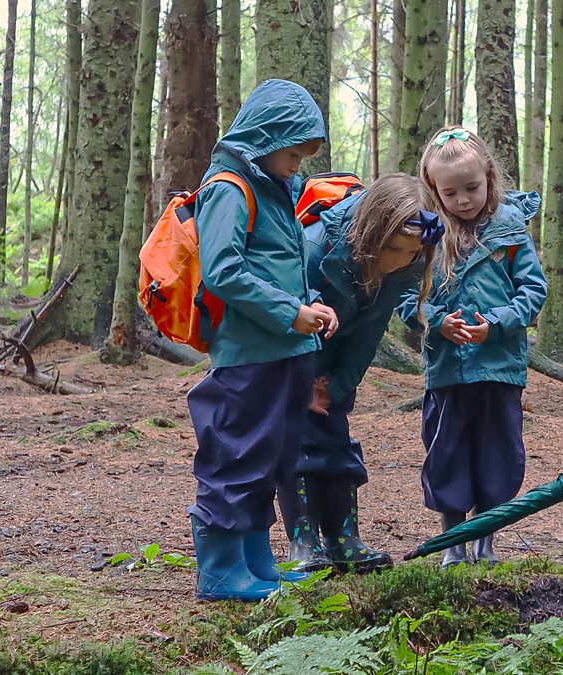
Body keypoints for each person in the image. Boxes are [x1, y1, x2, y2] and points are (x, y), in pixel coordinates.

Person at [186, 79, 339, 601]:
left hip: (285, 350)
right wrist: (288, 313)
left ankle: (256, 560)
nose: (298, 165)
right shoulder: (229, 187)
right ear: (265, 140)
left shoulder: (274, 189)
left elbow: (281, 265)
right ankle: (222, 571)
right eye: (293, 154)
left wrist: (311, 304)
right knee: (236, 455)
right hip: (248, 354)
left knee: (269, 457)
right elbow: (223, 271)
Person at [399, 126, 548, 568]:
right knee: (446, 450)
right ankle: (452, 542)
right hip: (447, 369)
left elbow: (533, 290)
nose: (463, 200)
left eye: (472, 188)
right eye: (450, 192)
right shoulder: (425, 234)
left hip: (500, 366)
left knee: (498, 452)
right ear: (433, 190)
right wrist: (435, 321)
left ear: (488, 175)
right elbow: (408, 296)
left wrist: (498, 324)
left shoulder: (511, 229)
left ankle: (486, 538)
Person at [279, 173, 443, 574]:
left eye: (412, 253)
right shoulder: (320, 245)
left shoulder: (405, 264)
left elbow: (369, 332)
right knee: (296, 447)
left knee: (336, 443)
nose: (402, 260)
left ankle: (343, 539)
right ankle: (303, 542)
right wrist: (305, 385)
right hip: (293, 358)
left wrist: (337, 386)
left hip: (334, 365)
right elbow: (288, 311)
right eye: (394, 249)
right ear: (371, 232)